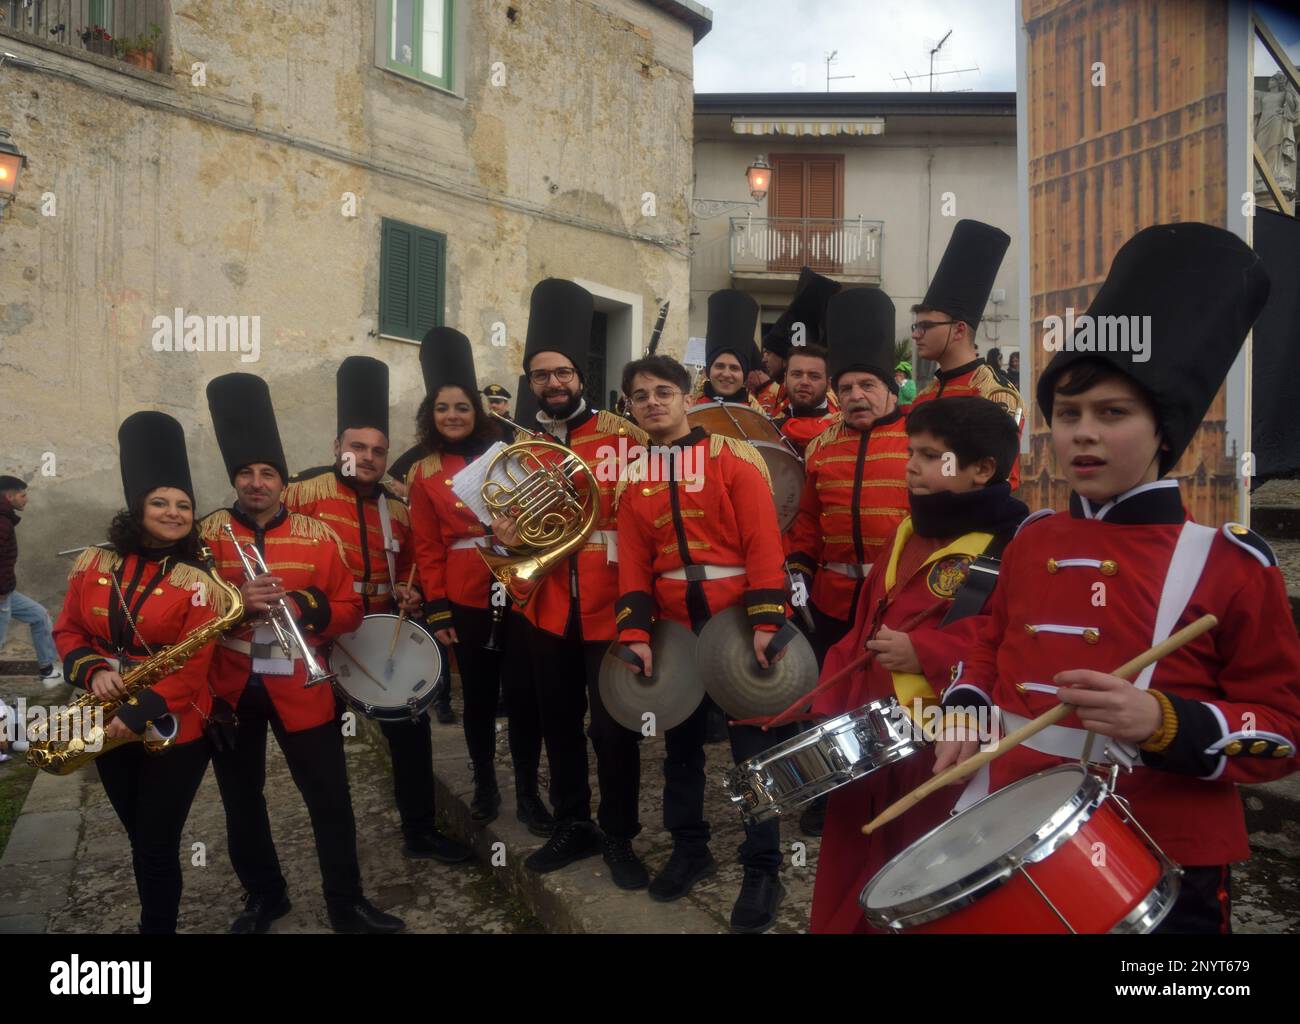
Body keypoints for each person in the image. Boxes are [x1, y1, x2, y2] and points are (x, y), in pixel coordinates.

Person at [935, 223, 1300, 934]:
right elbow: (990, 644)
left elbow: (1282, 732)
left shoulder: (1231, 563)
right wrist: (967, 704)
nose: (1082, 434)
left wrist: (1164, 723)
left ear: (1164, 431)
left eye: (1112, 413)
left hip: (1158, 855)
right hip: (1012, 827)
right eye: (1067, 414)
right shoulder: (1031, 538)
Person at [808, 397, 1028, 933]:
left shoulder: (1016, 543)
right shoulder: (905, 530)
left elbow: (1012, 641)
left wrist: (925, 652)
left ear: (983, 470)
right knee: (855, 863)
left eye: (933, 457)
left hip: (944, 745)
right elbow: (862, 632)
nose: (911, 466)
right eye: (912, 452)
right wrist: (829, 715)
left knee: (927, 879)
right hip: (875, 736)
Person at [200, 372, 404, 935]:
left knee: (330, 799)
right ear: (235, 479)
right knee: (242, 800)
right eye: (246, 473)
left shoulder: (318, 535)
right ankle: (265, 896)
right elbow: (186, 615)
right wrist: (234, 603)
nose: (257, 482)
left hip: (302, 682)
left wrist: (308, 606)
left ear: (282, 481)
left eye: (268, 473)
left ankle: (346, 902)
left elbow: (349, 610)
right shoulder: (206, 538)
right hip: (231, 685)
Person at [615, 353, 795, 932]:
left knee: (752, 752)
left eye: (663, 392)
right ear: (631, 408)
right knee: (680, 750)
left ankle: (763, 865)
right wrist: (635, 633)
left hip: (736, 621)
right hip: (674, 626)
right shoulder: (634, 475)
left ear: (686, 396)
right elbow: (634, 566)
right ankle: (690, 848)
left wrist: (768, 619)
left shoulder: (732, 459)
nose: (653, 403)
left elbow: (764, 542)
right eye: (640, 396)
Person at [492, 278, 653, 882]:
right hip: (546, 607)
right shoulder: (518, 446)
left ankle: (618, 835)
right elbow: (503, 522)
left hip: (613, 607)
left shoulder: (624, 436)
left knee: (613, 731)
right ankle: (572, 824)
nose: (552, 384)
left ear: (580, 375)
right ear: (530, 383)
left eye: (562, 373)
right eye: (540, 376)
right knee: (558, 723)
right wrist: (507, 537)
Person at [283, 355, 471, 865]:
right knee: (325, 748)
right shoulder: (299, 495)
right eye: (356, 447)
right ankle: (336, 844)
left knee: (411, 737)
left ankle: (420, 831)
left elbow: (415, 561)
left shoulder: (399, 504)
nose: (366, 458)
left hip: (384, 632)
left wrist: (413, 593)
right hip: (321, 639)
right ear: (337, 449)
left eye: (377, 450)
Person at [51, 412, 231, 933]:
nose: (173, 513)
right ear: (137, 508)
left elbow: (194, 665)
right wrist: (89, 671)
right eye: (160, 502)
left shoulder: (202, 582)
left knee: (156, 842)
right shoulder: (92, 565)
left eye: (183, 505)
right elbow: (68, 630)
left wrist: (137, 713)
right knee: (139, 835)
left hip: (174, 726)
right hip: (104, 719)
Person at [406, 327, 554, 836]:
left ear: (477, 412)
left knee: (523, 692)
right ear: (432, 414)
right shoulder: (423, 472)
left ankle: (531, 792)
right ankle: (486, 783)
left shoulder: (508, 452)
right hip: (465, 591)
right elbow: (426, 546)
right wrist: (439, 608)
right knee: (478, 694)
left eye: (462, 408)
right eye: (443, 408)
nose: (453, 416)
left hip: (517, 585)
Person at [784, 287, 912, 836]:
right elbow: (808, 523)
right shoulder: (820, 447)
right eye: (846, 387)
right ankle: (833, 791)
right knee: (835, 701)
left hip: (901, 600)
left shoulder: (921, 440)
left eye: (867, 385)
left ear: (888, 387)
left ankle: (898, 790)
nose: (856, 395)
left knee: (892, 699)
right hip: (832, 600)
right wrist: (797, 570)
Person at [908, 219, 1023, 487]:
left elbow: (1001, 478)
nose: (916, 334)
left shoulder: (995, 394)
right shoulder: (923, 396)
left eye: (926, 326)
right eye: (916, 326)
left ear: (959, 330)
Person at [755, 267, 842, 418]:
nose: (764, 358)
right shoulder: (777, 394)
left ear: (785, 361)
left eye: (769, 352)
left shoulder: (825, 404)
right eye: (797, 374)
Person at [0, 476, 62, 686]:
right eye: (23, 495)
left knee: (39, 616)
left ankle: (47, 669)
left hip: (7, 591)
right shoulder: (1, 522)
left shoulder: (5, 519)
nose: (26, 500)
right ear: (9, 496)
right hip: (1, 593)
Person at [691, 291, 767, 413]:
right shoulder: (688, 410)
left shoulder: (758, 416)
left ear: (744, 374)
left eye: (734, 368)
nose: (726, 374)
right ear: (708, 369)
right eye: (719, 366)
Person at [773, 344, 836, 457]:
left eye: (814, 376)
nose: (804, 382)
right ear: (785, 379)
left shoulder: (839, 429)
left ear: (828, 385)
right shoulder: (768, 425)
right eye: (797, 374)